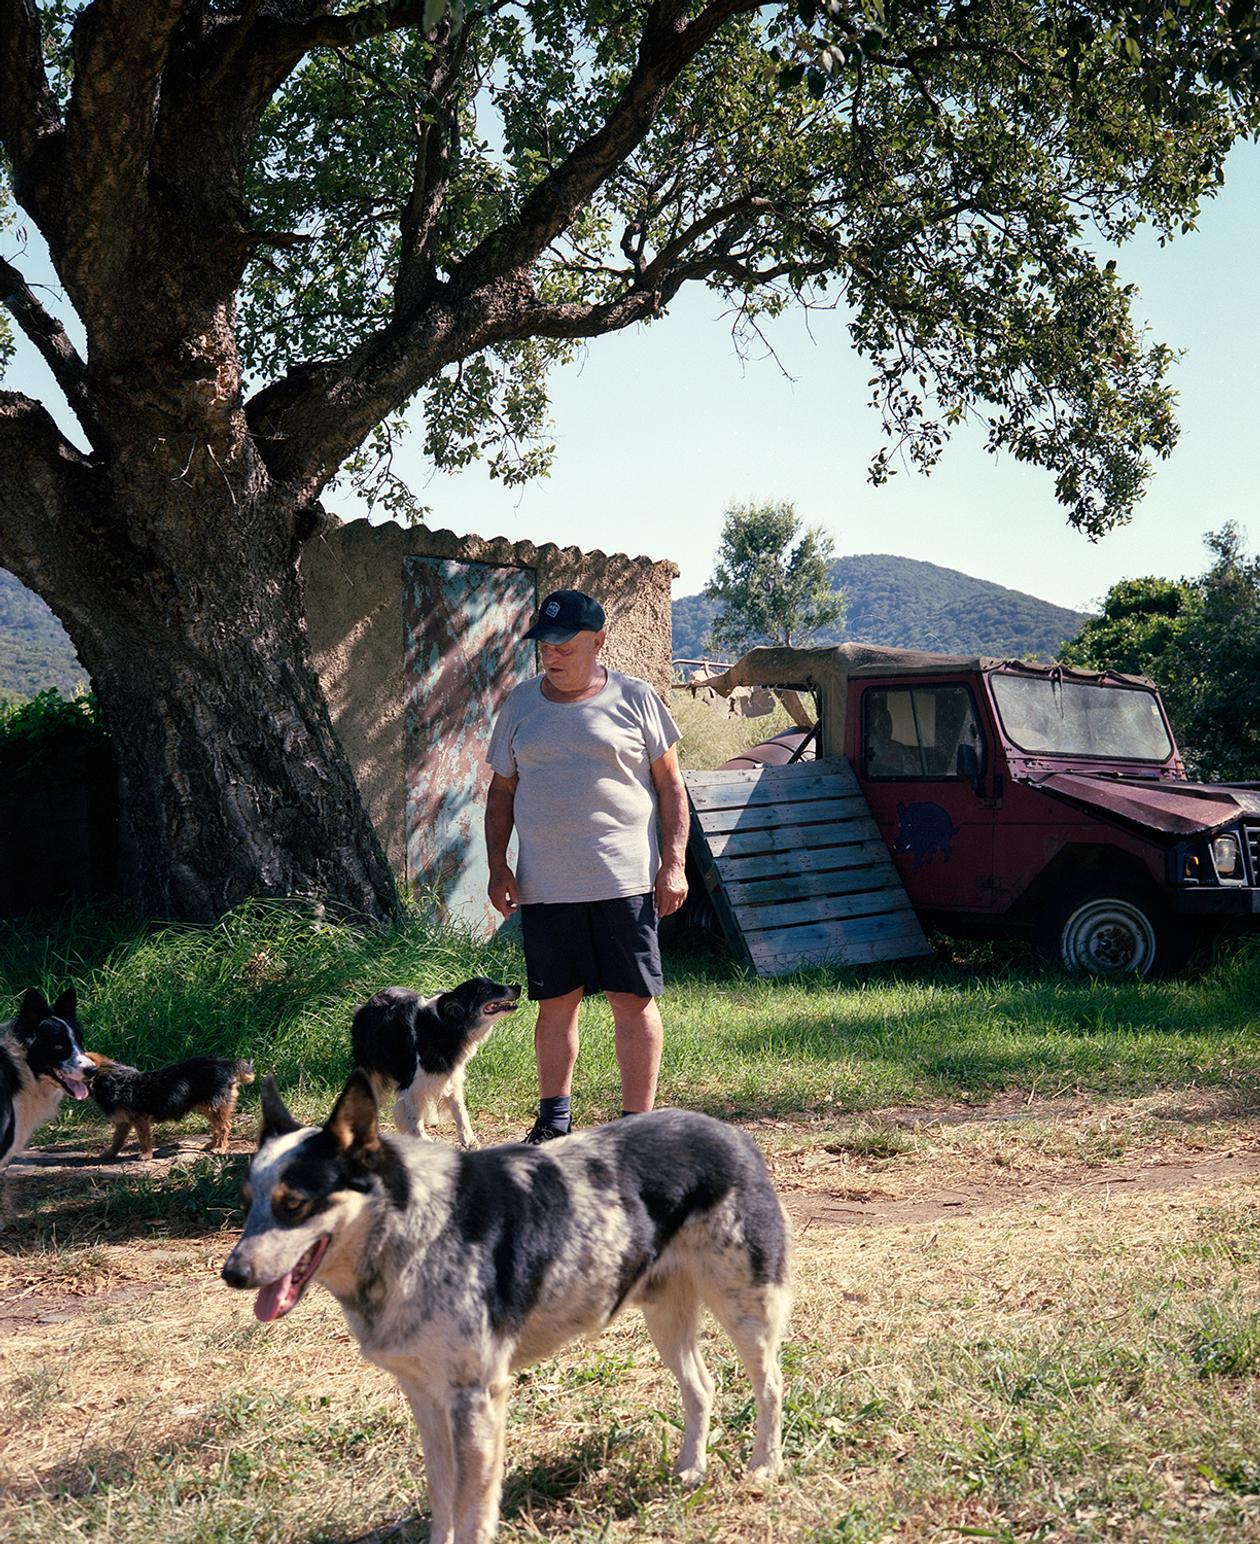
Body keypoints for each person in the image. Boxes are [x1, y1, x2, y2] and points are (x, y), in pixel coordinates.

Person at [484, 589, 689, 1143]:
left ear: (598, 641)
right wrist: (498, 866)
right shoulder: (520, 705)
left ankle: (637, 1130)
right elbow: (501, 792)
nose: (551, 654)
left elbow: (672, 787)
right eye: (544, 645)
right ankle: (553, 1122)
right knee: (555, 1007)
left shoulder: (636, 698)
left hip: (624, 880)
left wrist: (674, 864)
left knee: (632, 1002)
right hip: (547, 886)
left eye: (564, 644)